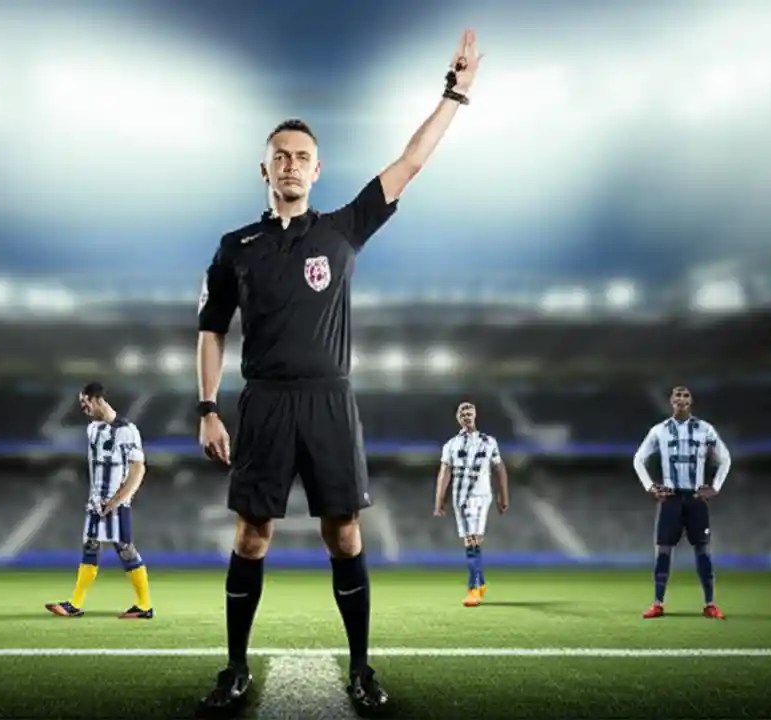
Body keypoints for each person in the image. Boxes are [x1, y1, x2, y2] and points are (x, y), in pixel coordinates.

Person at [194, 29, 484, 716]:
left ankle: (360, 668)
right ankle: (234, 669)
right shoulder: (235, 247)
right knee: (251, 535)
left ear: (317, 170)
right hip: (263, 402)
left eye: (301, 157)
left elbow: (411, 162)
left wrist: (457, 92)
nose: (290, 165)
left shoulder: (344, 229)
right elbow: (209, 329)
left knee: (344, 533)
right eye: (279, 158)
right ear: (262, 170)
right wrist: (207, 406)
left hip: (330, 402)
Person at [45, 382, 153, 619]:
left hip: (116, 504)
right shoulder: (92, 429)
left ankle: (145, 606)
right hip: (96, 503)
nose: (83, 408)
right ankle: (75, 603)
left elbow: (138, 470)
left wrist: (117, 500)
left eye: (85, 403)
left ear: (97, 399)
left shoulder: (128, 430)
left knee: (125, 549)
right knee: (91, 546)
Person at [633, 386, 732, 619]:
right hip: (671, 498)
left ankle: (710, 604)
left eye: (685, 395)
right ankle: (657, 603)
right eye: (677, 395)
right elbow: (638, 459)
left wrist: (715, 486)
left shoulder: (705, 429)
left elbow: (725, 458)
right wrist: (650, 486)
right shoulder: (659, 431)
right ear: (671, 401)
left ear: (691, 401)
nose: (681, 398)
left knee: (704, 551)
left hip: (696, 499)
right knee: (663, 552)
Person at [434, 401, 509, 607]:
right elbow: (444, 472)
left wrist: (504, 496)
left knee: (473, 539)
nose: (466, 415)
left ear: (475, 415)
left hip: (482, 495)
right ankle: (480, 583)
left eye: (469, 412)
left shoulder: (489, 442)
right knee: (471, 540)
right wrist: (439, 499)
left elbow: (499, 468)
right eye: (462, 413)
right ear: (458, 418)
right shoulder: (451, 445)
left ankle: (473, 588)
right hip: (461, 497)